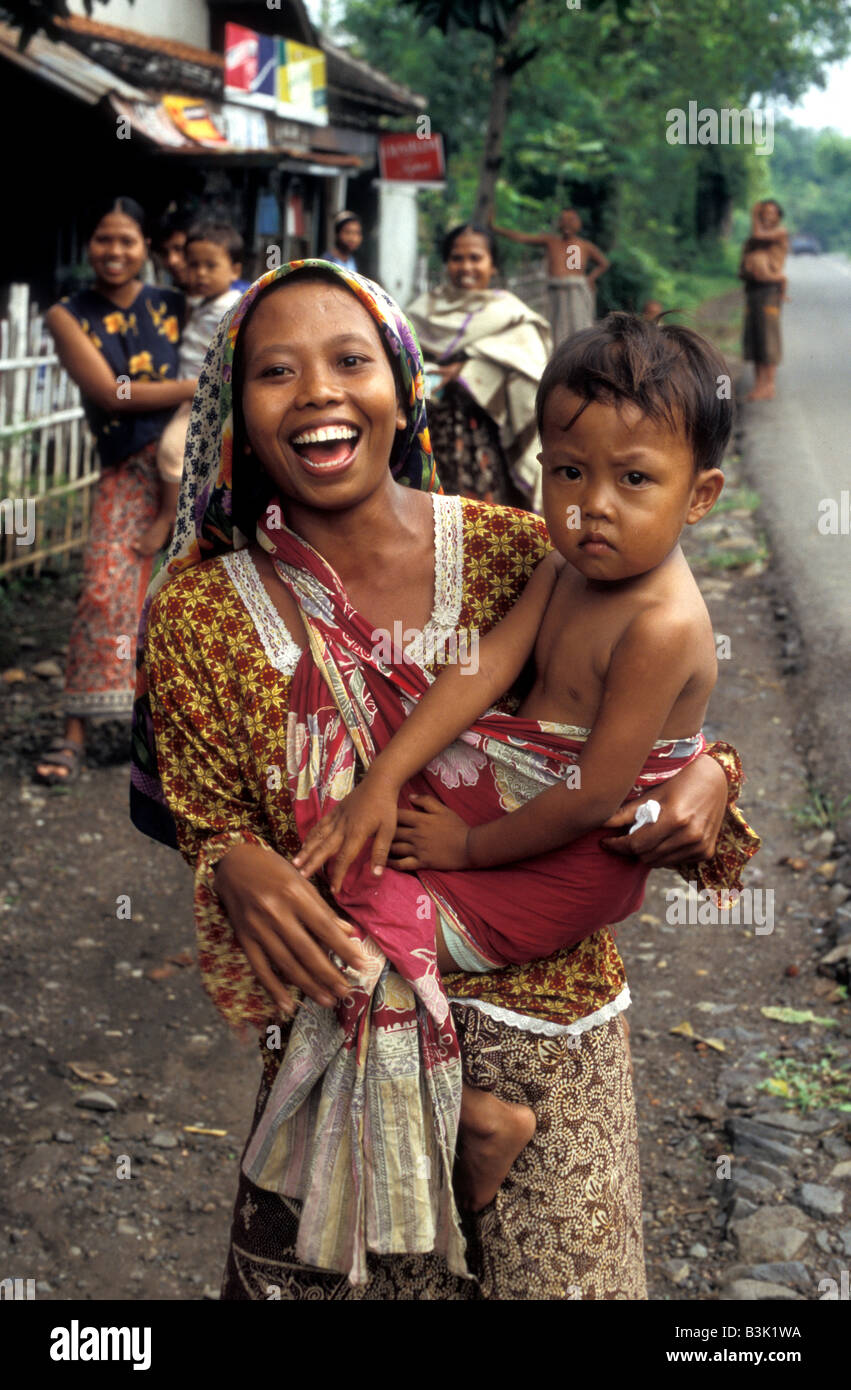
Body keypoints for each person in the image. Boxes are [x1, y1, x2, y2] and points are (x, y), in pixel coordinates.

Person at [131, 258, 756, 1300]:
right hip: (348, 1037)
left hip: (549, 1034)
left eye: (349, 360)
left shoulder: (520, 547)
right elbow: (206, 817)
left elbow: (644, 723)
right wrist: (230, 859)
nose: (320, 391)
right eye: (276, 371)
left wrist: (717, 775)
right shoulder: (197, 612)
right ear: (236, 408)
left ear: (401, 384)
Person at [294, 312, 754, 1217]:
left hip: (568, 863)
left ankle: (478, 1122)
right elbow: (483, 670)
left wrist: (467, 849)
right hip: (517, 814)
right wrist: (384, 777)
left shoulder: (660, 625)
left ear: (699, 497)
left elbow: (590, 798)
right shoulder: (562, 565)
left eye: (634, 480)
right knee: (335, 850)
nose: (593, 507)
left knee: (340, 931)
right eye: (569, 473)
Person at [35, 197, 196, 785]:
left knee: (189, 597)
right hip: (126, 467)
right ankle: (75, 731)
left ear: (146, 249)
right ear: (89, 246)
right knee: (104, 590)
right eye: (104, 239)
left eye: (127, 240)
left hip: (191, 458)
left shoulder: (175, 304)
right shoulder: (67, 314)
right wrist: (203, 382)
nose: (114, 251)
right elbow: (112, 394)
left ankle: (173, 734)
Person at [408, 223, 552, 509]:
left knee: (482, 519)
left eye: (476, 258)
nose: (466, 267)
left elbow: (533, 372)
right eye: (457, 258)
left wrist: (470, 370)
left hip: (486, 437)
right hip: (427, 436)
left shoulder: (511, 315)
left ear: (493, 265)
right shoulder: (422, 310)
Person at [138, 222, 244, 555]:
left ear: (235, 269)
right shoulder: (201, 304)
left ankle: (167, 518)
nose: (199, 273)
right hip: (188, 395)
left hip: (206, 397)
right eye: (193, 264)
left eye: (210, 266)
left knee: (171, 449)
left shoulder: (233, 307)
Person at [491, 208, 610, 344]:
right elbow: (523, 237)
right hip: (555, 291)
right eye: (563, 220)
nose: (567, 224)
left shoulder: (584, 246)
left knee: (580, 326)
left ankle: (581, 357)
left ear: (578, 224)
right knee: (557, 329)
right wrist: (496, 229)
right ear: (559, 224)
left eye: (571, 220)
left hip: (576, 291)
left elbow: (603, 263)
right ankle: (558, 358)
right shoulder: (551, 241)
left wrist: (590, 278)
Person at [740, 199, 788, 402]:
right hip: (754, 290)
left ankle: (769, 385)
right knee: (755, 338)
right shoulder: (754, 240)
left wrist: (753, 214)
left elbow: (758, 235)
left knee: (768, 339)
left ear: (778, 216)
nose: (767, 216)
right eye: (764, 213)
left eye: (771, 213)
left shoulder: (780, 232)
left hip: (769, 291)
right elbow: (744, 263)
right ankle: (759, 385)